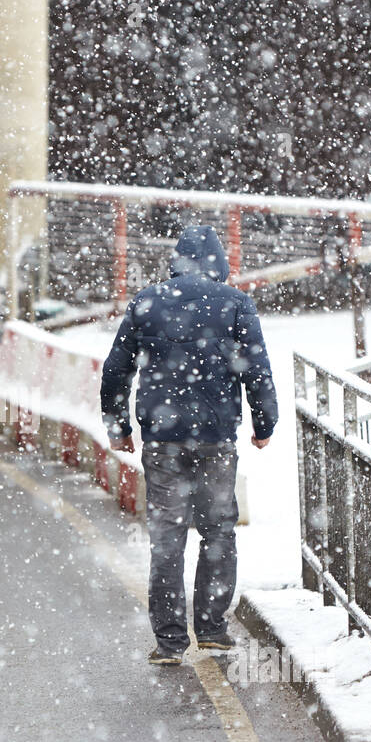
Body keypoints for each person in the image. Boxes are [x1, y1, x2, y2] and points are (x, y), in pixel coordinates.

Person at [100, 224, 278, 666]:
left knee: (167, 539)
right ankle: (213, 630)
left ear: (177, 260)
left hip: (163, 441)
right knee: (218, 532)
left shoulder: (146, 302)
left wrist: (118, 427)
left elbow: (115, 371)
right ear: (219, 262)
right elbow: (257, 370)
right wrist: (264, 422)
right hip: (216, 438)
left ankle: (170, 641)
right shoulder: (237, 304)